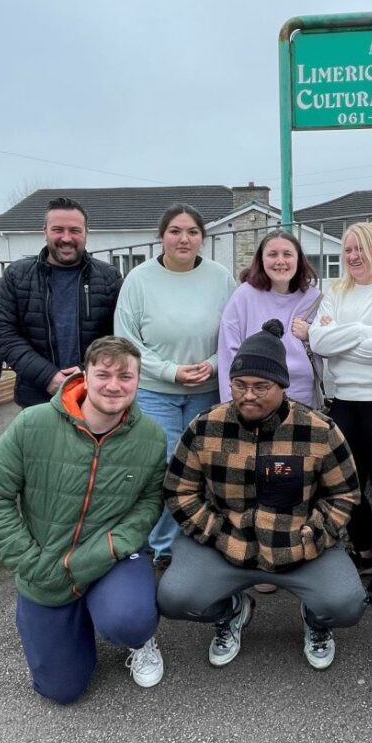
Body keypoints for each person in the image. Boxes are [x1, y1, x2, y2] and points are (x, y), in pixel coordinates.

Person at [157, 321, 365, 670]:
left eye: (260, 386)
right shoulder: (206, 427)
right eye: (239, 384)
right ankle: (233, 610)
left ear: (282, 385)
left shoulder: (318, 430)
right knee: (174, 597)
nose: (247, 395)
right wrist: (218, 533)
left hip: (299, 547)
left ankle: (316, 619)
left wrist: (311, 537)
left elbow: (344, 495)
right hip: (225, 546)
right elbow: (179, 490)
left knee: (346, 604)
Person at [0, 336, 169, 701]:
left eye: (125, 376)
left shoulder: (151, 438)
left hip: (110, 557)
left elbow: (149, 504)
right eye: (104, 374)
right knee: (61, 690)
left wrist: (111, 546)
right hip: (45, 562)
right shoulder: (33, 424)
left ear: (138, 381)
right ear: (84, 375)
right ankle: (72, 619)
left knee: (129, 619)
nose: (114, 385)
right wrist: (28, 561)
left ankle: (136, 637)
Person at [296, 221, 372, 605]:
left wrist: (337, 335)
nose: (353, 256)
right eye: (347, 250)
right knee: (345, 485)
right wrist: (361, 329)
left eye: (360, 248)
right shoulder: (337, 289)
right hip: (343, 399)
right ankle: (363, 551)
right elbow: (318, 340)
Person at [113, 204, 236, 563]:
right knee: (166, 469)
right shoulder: (139, 280)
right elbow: (127, 339)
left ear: (203, 237)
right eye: (175, 231)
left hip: (207, 390)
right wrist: (170, 371)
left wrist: (214, 365)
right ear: (162, 235)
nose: (184, 239)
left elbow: (233, 332)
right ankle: (164, 548)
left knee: (208, 468)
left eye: (193, 232)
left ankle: (205, 541)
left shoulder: (220, 277)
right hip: (155, 392)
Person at [0, 196, 122, 408]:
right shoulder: (17, 275)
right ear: (45, 232)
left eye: (75, 230)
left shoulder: (109, 278)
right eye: (58, 229)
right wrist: (47, 376)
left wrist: (87, 371)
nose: (66, 238)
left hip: (95, 395)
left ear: (86, 233)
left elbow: (118, 336)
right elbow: (3, 332)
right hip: (36, 397)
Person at [218, 229, 323, 408]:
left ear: (298, 259)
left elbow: (328, 347)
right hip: (253, 400)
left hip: (303, 398)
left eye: (287, 254)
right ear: (261, 260)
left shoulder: (314, 298)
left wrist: (312, 334)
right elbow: (229, 353)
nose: (280, 261)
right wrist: (231, 405)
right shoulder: (244, 296)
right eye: (272, 254)